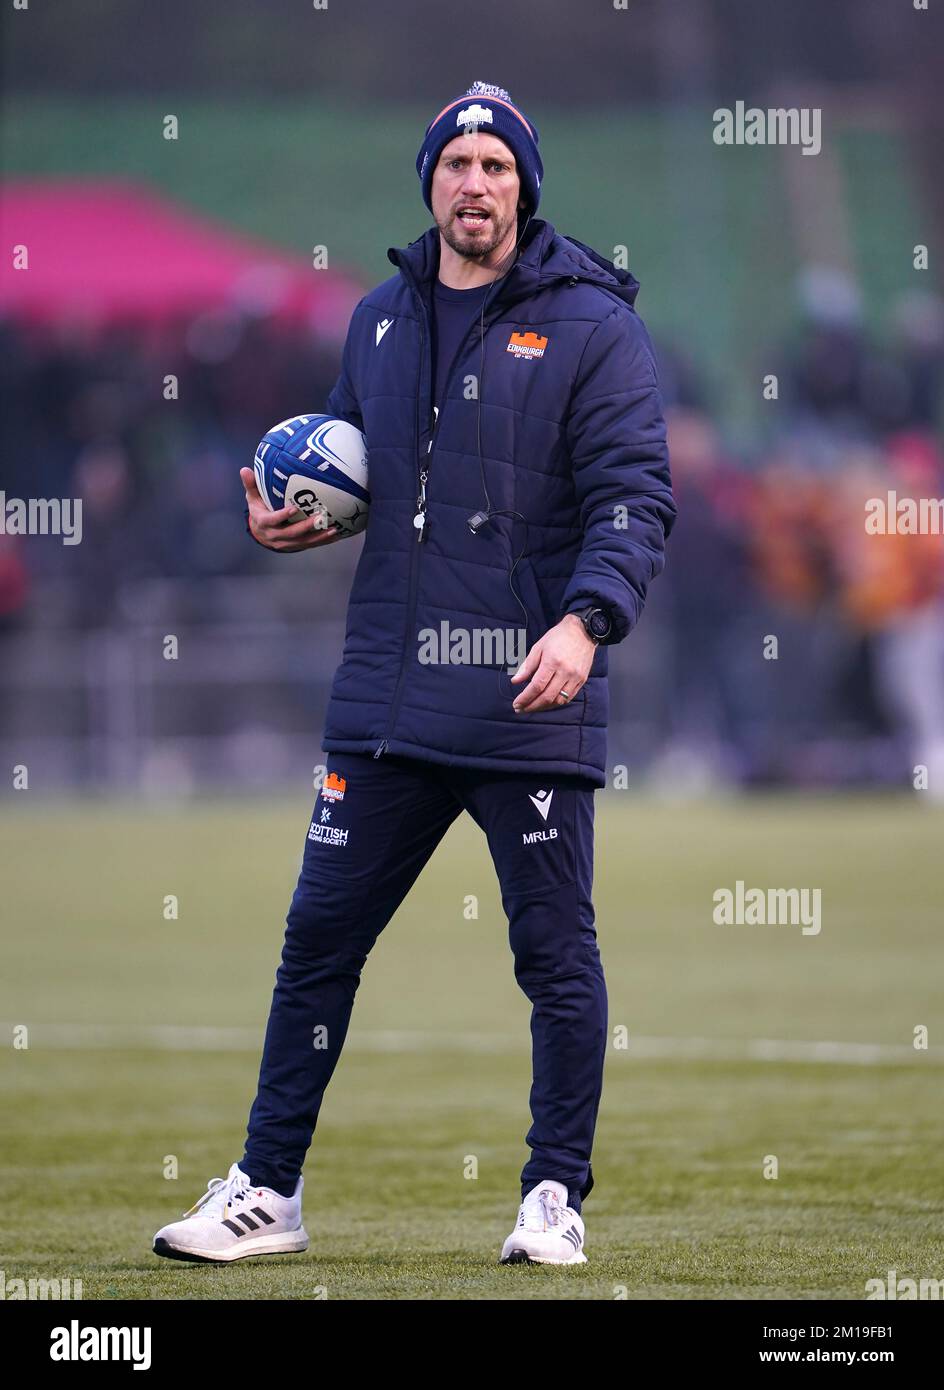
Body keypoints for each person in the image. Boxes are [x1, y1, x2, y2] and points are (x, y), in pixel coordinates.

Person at [154, 81, 675, 1268]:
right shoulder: (377, 319)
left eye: (496, 164)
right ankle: (266, 1193)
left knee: (553, 956)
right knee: (316, 940)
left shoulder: (594, 324)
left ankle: (552, 1196)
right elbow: (364, 478)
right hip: (387, 694)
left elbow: (634, 498)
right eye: (456, 163)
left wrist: (587, 622)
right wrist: (300, 523)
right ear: (429, 182)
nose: (475, 181)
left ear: (523, 186)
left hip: (525, 690)